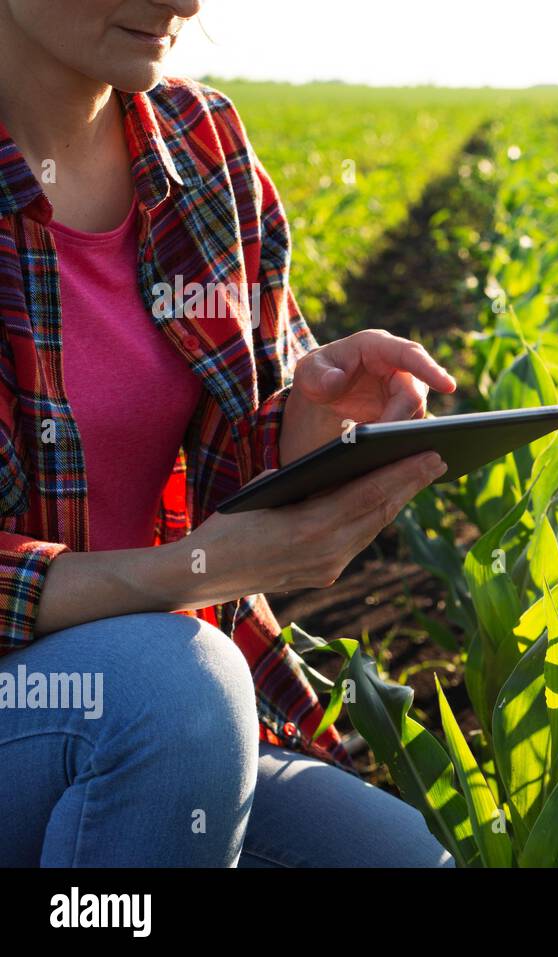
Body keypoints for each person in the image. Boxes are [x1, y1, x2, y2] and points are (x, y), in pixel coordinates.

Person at [0, 0, 456, 866]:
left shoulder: (200, 143)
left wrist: (317, 415)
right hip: (142, 700)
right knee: (169, 687)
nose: (185, 1)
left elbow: (235, 464)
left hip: (169, 719)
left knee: (398, 858)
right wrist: (181, 575)